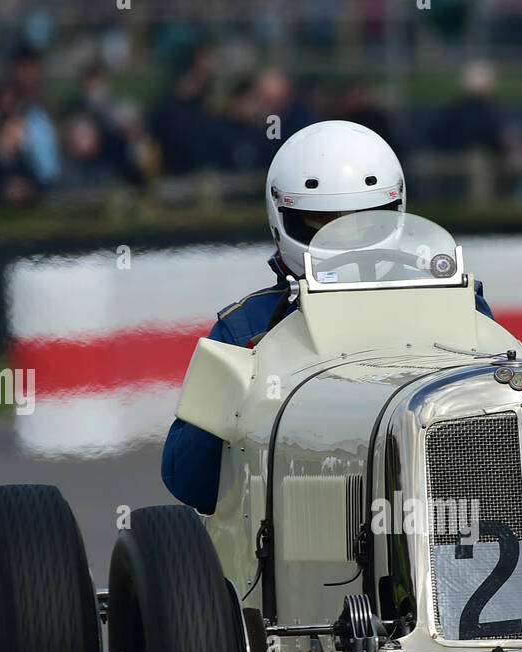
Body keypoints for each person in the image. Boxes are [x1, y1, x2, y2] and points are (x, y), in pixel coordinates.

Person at [161, 120, 494, 514]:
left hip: (453, 513)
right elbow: (189, 482)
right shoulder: (247, 327)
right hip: (300, 524)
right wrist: (235, 389)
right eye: (322, 223)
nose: (343, 238)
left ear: (396, 211)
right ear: (282, 216)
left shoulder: (456, 301)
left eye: (364, 220)